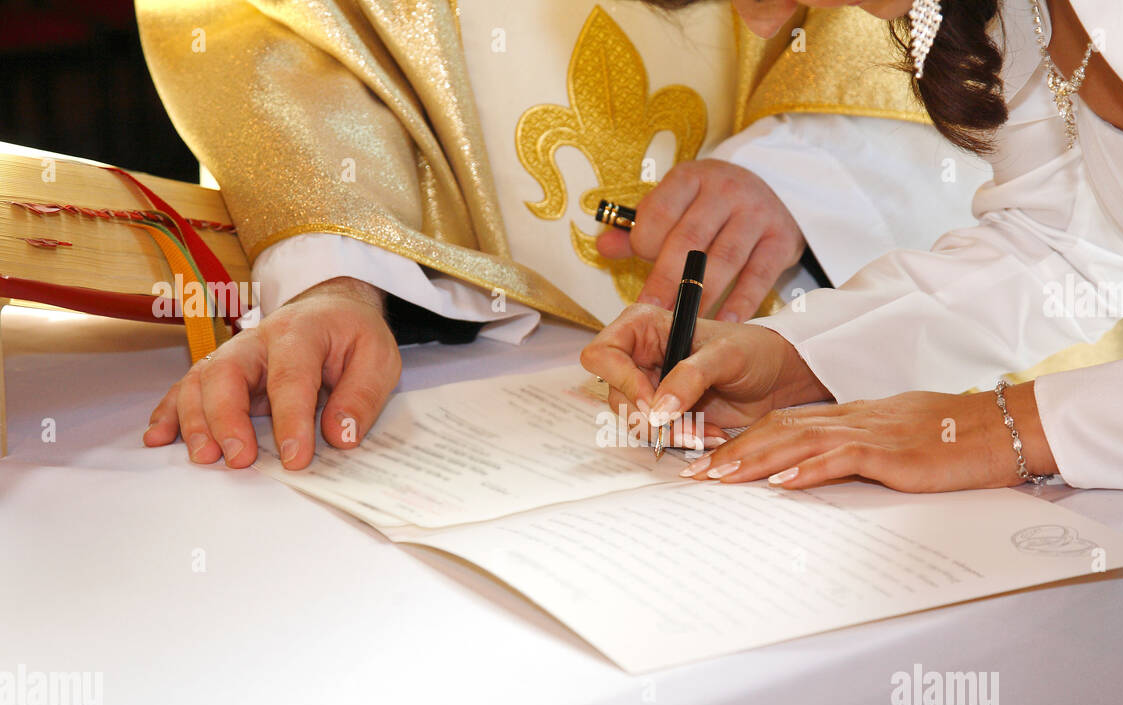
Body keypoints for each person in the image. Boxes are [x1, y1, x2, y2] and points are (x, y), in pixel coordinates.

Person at [134, 0, 1009, 469]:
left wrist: (814, 174)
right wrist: (338, 267)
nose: (755, 18)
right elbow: (281, 25)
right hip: (473, 396)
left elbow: (1065, 230)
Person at [581, 0, 1123, 503]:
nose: (766, 19)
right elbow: (1065, 240)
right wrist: (799, 359)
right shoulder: (1017, 13)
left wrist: (1020, 426)